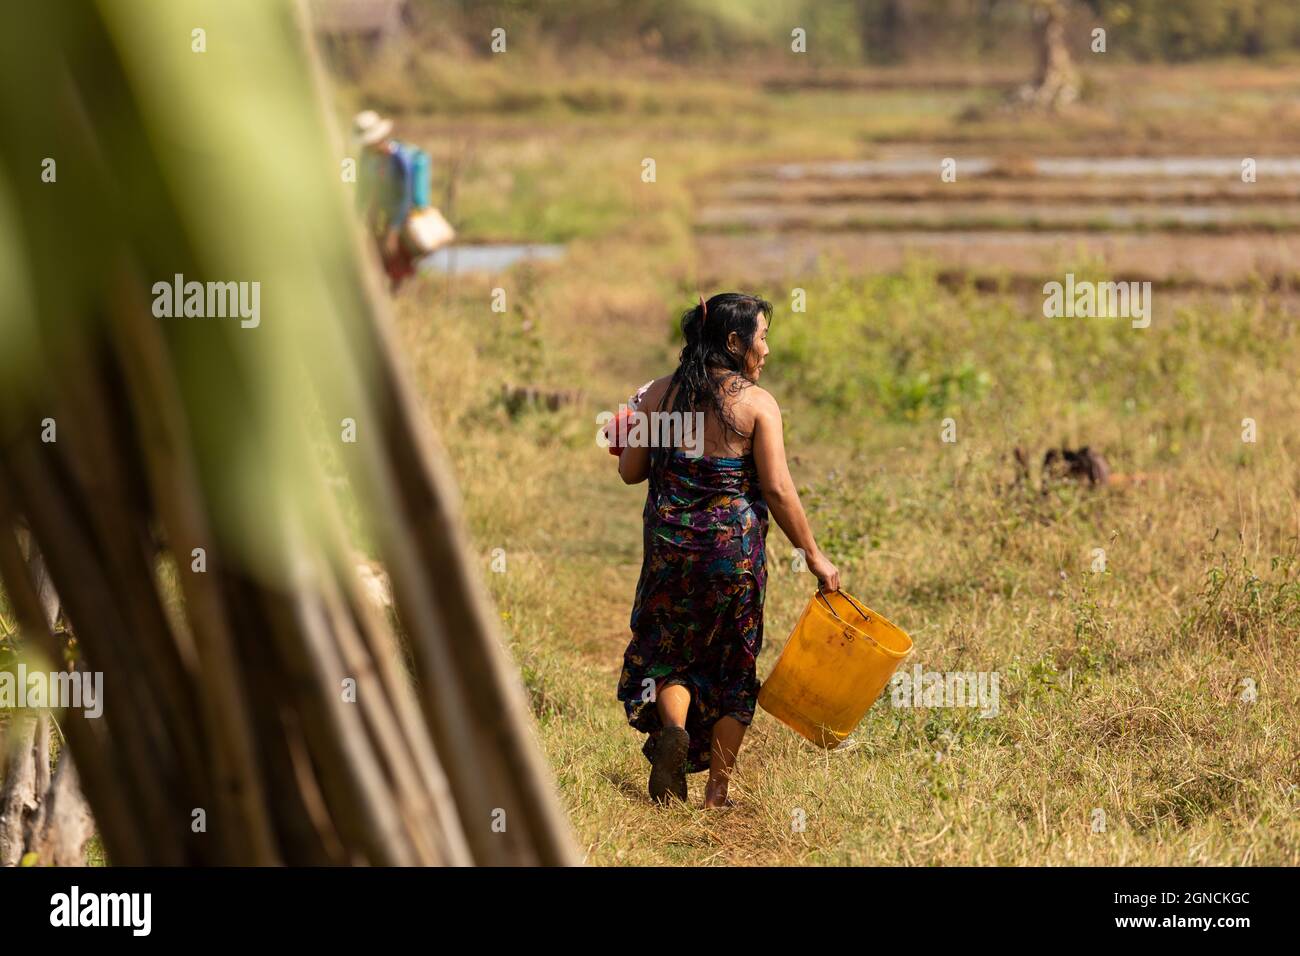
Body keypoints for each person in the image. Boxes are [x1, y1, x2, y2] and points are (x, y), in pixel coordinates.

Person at [614, 293, 840, 808]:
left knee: (670, 653)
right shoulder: (757, 405)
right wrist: (813, 554)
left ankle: (674, 729)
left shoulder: (660, 396)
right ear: (734, 343)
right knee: (732, 665)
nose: (767, 348)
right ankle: (717, 791)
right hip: (730, 556)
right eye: (761, 337)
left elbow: (629, 472)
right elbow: (779, 490)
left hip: (670, 549)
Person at [352, 109, 417, 291]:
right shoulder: (366, 157)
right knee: (374, 258)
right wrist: (358, 217)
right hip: (377, 215)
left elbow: (405, 195)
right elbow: (362, 190)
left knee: (396, 259)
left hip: (399, 215)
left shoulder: (399, 158)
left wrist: (394, 231)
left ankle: (398, 295)